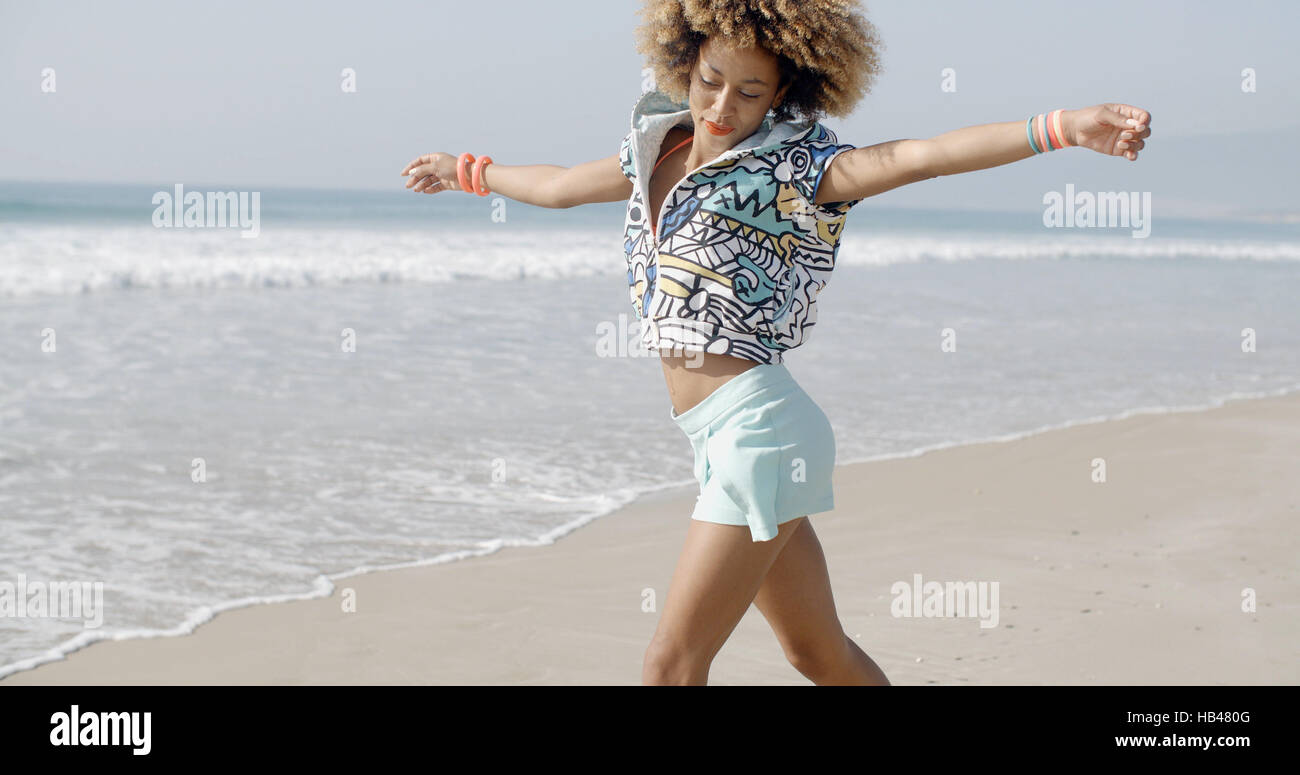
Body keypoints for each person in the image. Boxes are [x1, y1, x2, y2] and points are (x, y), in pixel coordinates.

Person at [399, 0, 1152, 686]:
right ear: (684, 63)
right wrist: (472, 173)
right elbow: (560, 185)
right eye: (710, 81)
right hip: (720, 437)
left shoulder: (797, 170)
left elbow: (924, 154)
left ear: (784, 95)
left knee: (669, 666)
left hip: (758, 428)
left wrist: (1062, 128)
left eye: (750, 92)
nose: (723, 106)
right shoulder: (653, 151)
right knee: (817, 653)